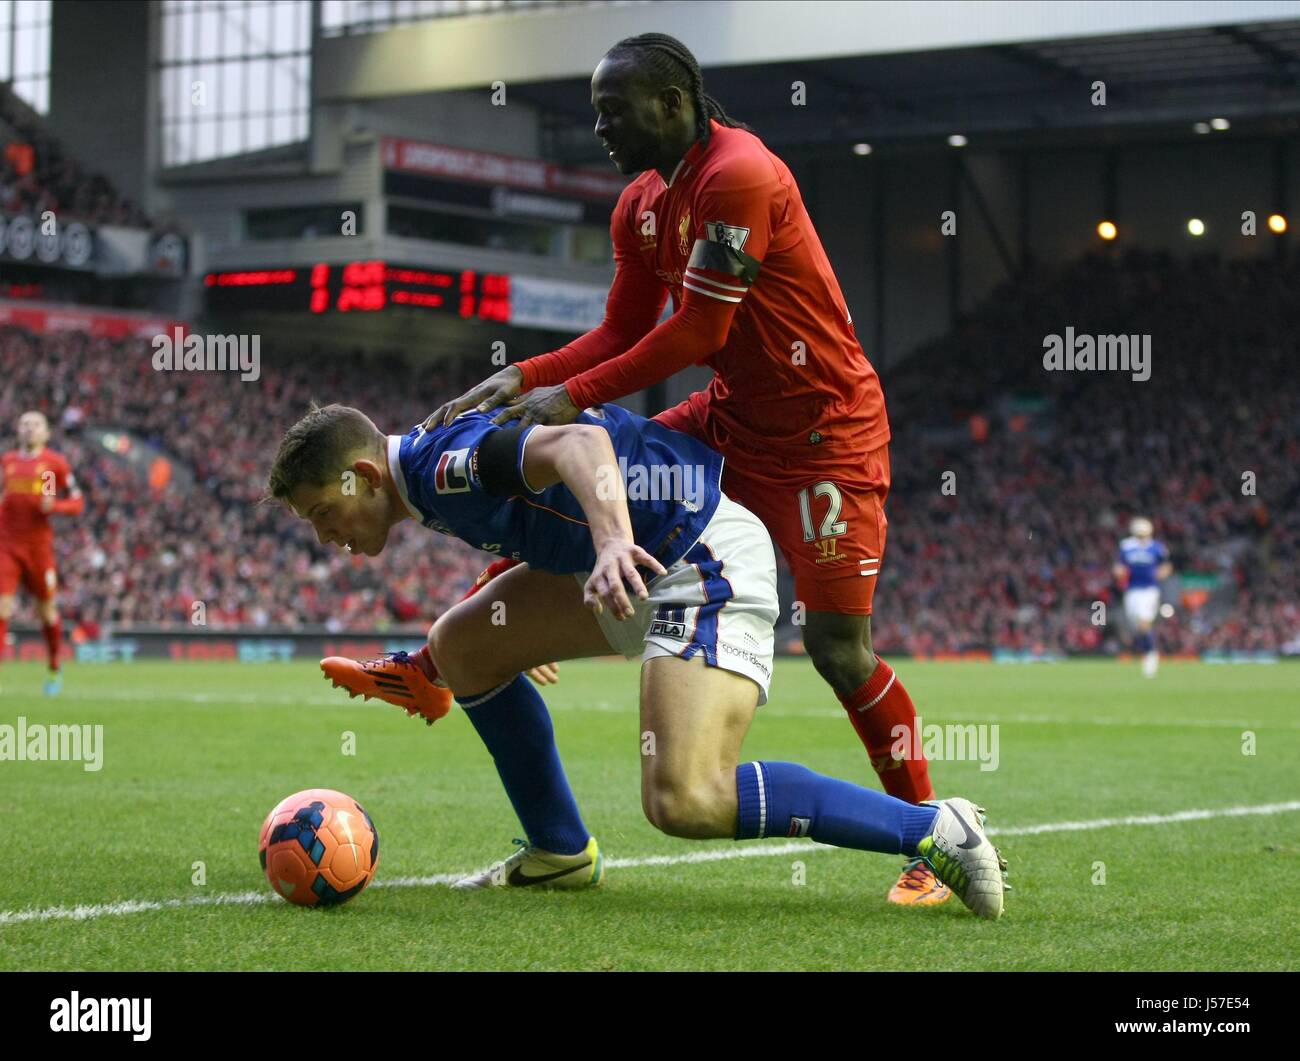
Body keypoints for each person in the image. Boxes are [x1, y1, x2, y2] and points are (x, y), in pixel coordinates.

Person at [429, 33, 949, 905]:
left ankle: (935, 839)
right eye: (595, 111)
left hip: (827, 436)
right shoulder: (639, 201)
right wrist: (526, 376)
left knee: (836, 648)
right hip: (731, 420)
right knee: (599, 478)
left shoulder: (740, 173)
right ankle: (484, 627)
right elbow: (620, 333)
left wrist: (573, 396)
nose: (600, 127)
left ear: (673, 103)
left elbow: (698, 333)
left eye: (611, 109)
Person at [264, 401, 1007, 918]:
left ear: (362, 474)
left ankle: (936, 829)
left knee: (686, 799)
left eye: (322, 512)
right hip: (637, 559)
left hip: (693, 553)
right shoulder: (427, 478)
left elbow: (579, 447)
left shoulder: (438, 467)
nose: (326, 535)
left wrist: (613, 538)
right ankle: (559, 851)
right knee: (465, 644)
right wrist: (500, 633)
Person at [0, 410, 84, 695]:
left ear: (46, 433)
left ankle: (54, 664)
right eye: (24, 424)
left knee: (46, 612)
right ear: (18, 430)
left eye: (36, 424)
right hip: (7, 545)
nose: (29, 429)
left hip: (38, 549)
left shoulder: (54, 464)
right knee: (2, 606)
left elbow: (78, 502)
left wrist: (56, 507)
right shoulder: (7, 462)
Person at [1114, 517, 1173, 678]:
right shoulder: (1126, 546)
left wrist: (1162, 573)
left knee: (1143, 622)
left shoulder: (1157, 548)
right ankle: (1147, 650)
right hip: (1132, 590)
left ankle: (1151, 654)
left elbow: (1166, 565)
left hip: (1149, 590)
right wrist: (1119, 572)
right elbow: (1119, 565)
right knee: (1136, 625)